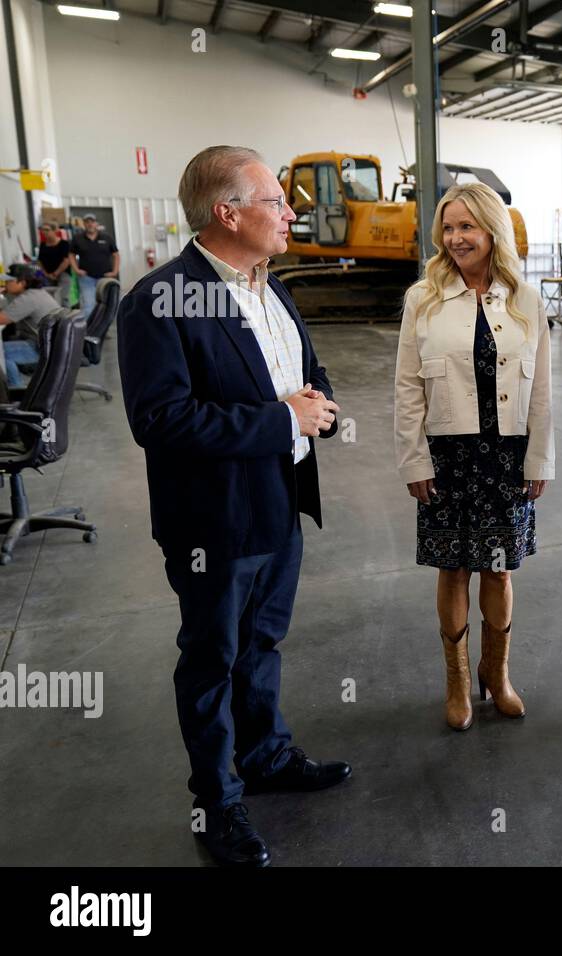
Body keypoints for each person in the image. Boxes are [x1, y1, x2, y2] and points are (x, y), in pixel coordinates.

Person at [117, 146, 351, 867]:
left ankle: (267, 755)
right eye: (276, 202)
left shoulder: (268, 285)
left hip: (280, 503)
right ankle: (217, 802)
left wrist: (321, 405)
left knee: (263, 643)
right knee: (214, 656)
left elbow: (300, 372)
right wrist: (284, 420)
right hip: (214, 521)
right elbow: (160, 420)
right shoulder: (160, 300)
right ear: (228, 212)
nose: (290, 213)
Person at [394, 182, 554, 731]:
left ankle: (497, 673)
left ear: (493, 231)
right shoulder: (424, 298)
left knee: (500, 569)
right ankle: (458, 681)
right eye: (449, 227)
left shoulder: (526, 299)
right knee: (453, 568)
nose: (456, 237)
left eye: (468, 226)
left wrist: (540, 460)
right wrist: (414, 460)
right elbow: (407, 388)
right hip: (448, 455)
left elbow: (543, 393)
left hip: (507, 456)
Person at [0, 263, 61, 388]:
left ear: (21, 283)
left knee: (1, 352)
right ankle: (15, 389)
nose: (4, 284)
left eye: (8, 281)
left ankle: (15, 390)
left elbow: (1, 319)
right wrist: (7, 291)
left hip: (42, 349)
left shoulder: (27, 299)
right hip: (51, 344)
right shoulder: (36, 293)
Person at [70, 214, 119, 318]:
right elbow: (71, 255)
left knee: (110, 305)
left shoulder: (107, 237)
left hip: (105, 277)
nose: (90, 224)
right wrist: (76, 269)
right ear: (84, 224)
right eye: (87, 222)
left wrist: (115, 271)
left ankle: (109, 331)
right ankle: (89, 332)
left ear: (96, 223)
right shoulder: (78, 238)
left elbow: (116, 255)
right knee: (88, 306)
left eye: (92, 222)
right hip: (86, 278)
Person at [36, 224, 73, 307]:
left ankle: (66, 318)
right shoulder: (43, 245)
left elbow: (66, 261)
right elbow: (40, 261)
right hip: (48, 275)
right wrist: (45, 273)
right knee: (50, 299)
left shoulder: (64, 244)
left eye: (47, 230)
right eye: (43, 230)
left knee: (63, 297)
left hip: (62, 273)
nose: (44, 232)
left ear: (54, 231)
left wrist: (55, 274)